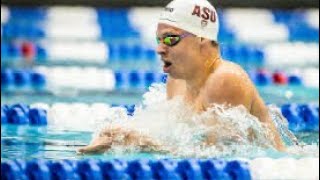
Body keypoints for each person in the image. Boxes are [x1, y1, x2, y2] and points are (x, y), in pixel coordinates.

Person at [78, 0, 285, 154]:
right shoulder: (176, 82)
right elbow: (177, 139)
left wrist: (141, 142)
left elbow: (215, 158)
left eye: (170, 39)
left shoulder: (226, 79)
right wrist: (120, 135)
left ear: (202, 38)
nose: (160, 49)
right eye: (158, 40)